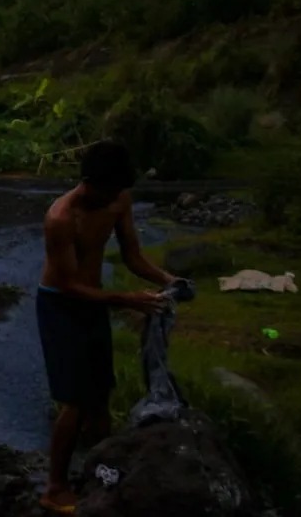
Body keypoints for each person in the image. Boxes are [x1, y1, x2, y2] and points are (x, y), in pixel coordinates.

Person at [36, 139, 177, 515]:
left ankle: (101, 468)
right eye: (111, 190)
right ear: (90, 183)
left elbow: (131, 254)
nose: (117, 197)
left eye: (121, 190)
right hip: (61, 305)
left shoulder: (118, 200)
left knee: (101, 392)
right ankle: (55, 488)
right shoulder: (61, 218)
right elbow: (67, 285)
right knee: (75, 399)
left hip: (94, 300)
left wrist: (167, 279)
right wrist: (128, 299)